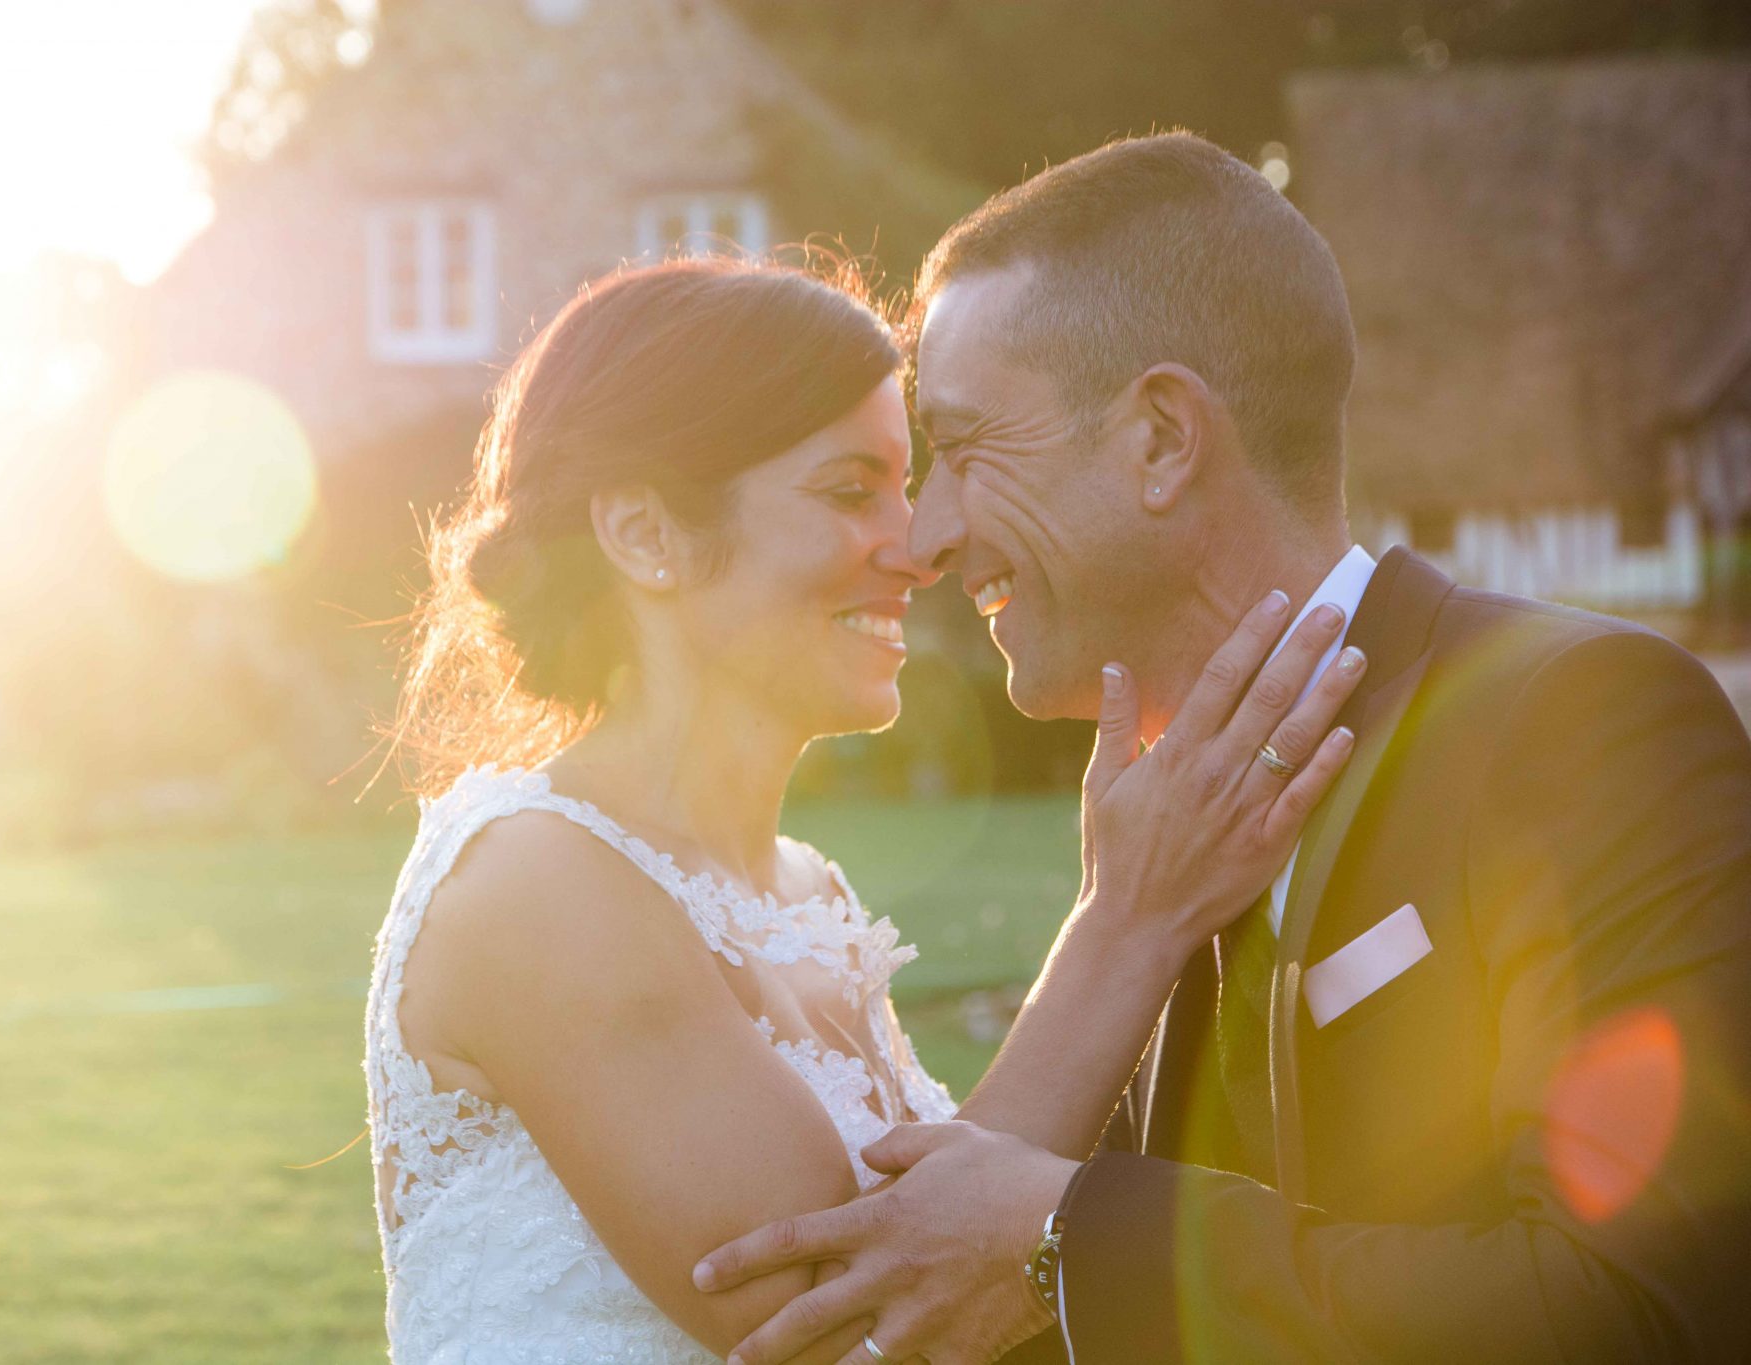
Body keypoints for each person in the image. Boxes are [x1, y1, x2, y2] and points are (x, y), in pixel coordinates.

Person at [693, 133, 1751, 1364]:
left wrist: (1065, 1233)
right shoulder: (1159, 833)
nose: (926, 533)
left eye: (966, 448)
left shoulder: (1578, 723)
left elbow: (1642, 1308)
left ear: (1158, 439)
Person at [360, 256, 1363, 1362]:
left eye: (911, 482)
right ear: (645, 535)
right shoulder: (534, 887)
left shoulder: (808, 892)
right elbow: (862, 1327)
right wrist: (1126, 921)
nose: (917, 544)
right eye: (849, 492)